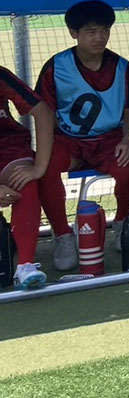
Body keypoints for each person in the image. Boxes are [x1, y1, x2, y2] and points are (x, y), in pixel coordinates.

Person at [34, 0, 129, 272]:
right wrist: (46, 152)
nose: (100, 37)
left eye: (104, 30)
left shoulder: (123, 67)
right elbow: (44, 113)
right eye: (91, 32)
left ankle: (121, 222)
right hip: (68, 141)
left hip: (109, 140)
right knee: (44, 168)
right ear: (74, 33)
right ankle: (63, 235)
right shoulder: (56, 67)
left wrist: (128, 141)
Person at [0, 66, 55, 289]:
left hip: (7, 148)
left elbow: (41, 111)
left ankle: (25, 266)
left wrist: (39, 167)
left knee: (26, 181)